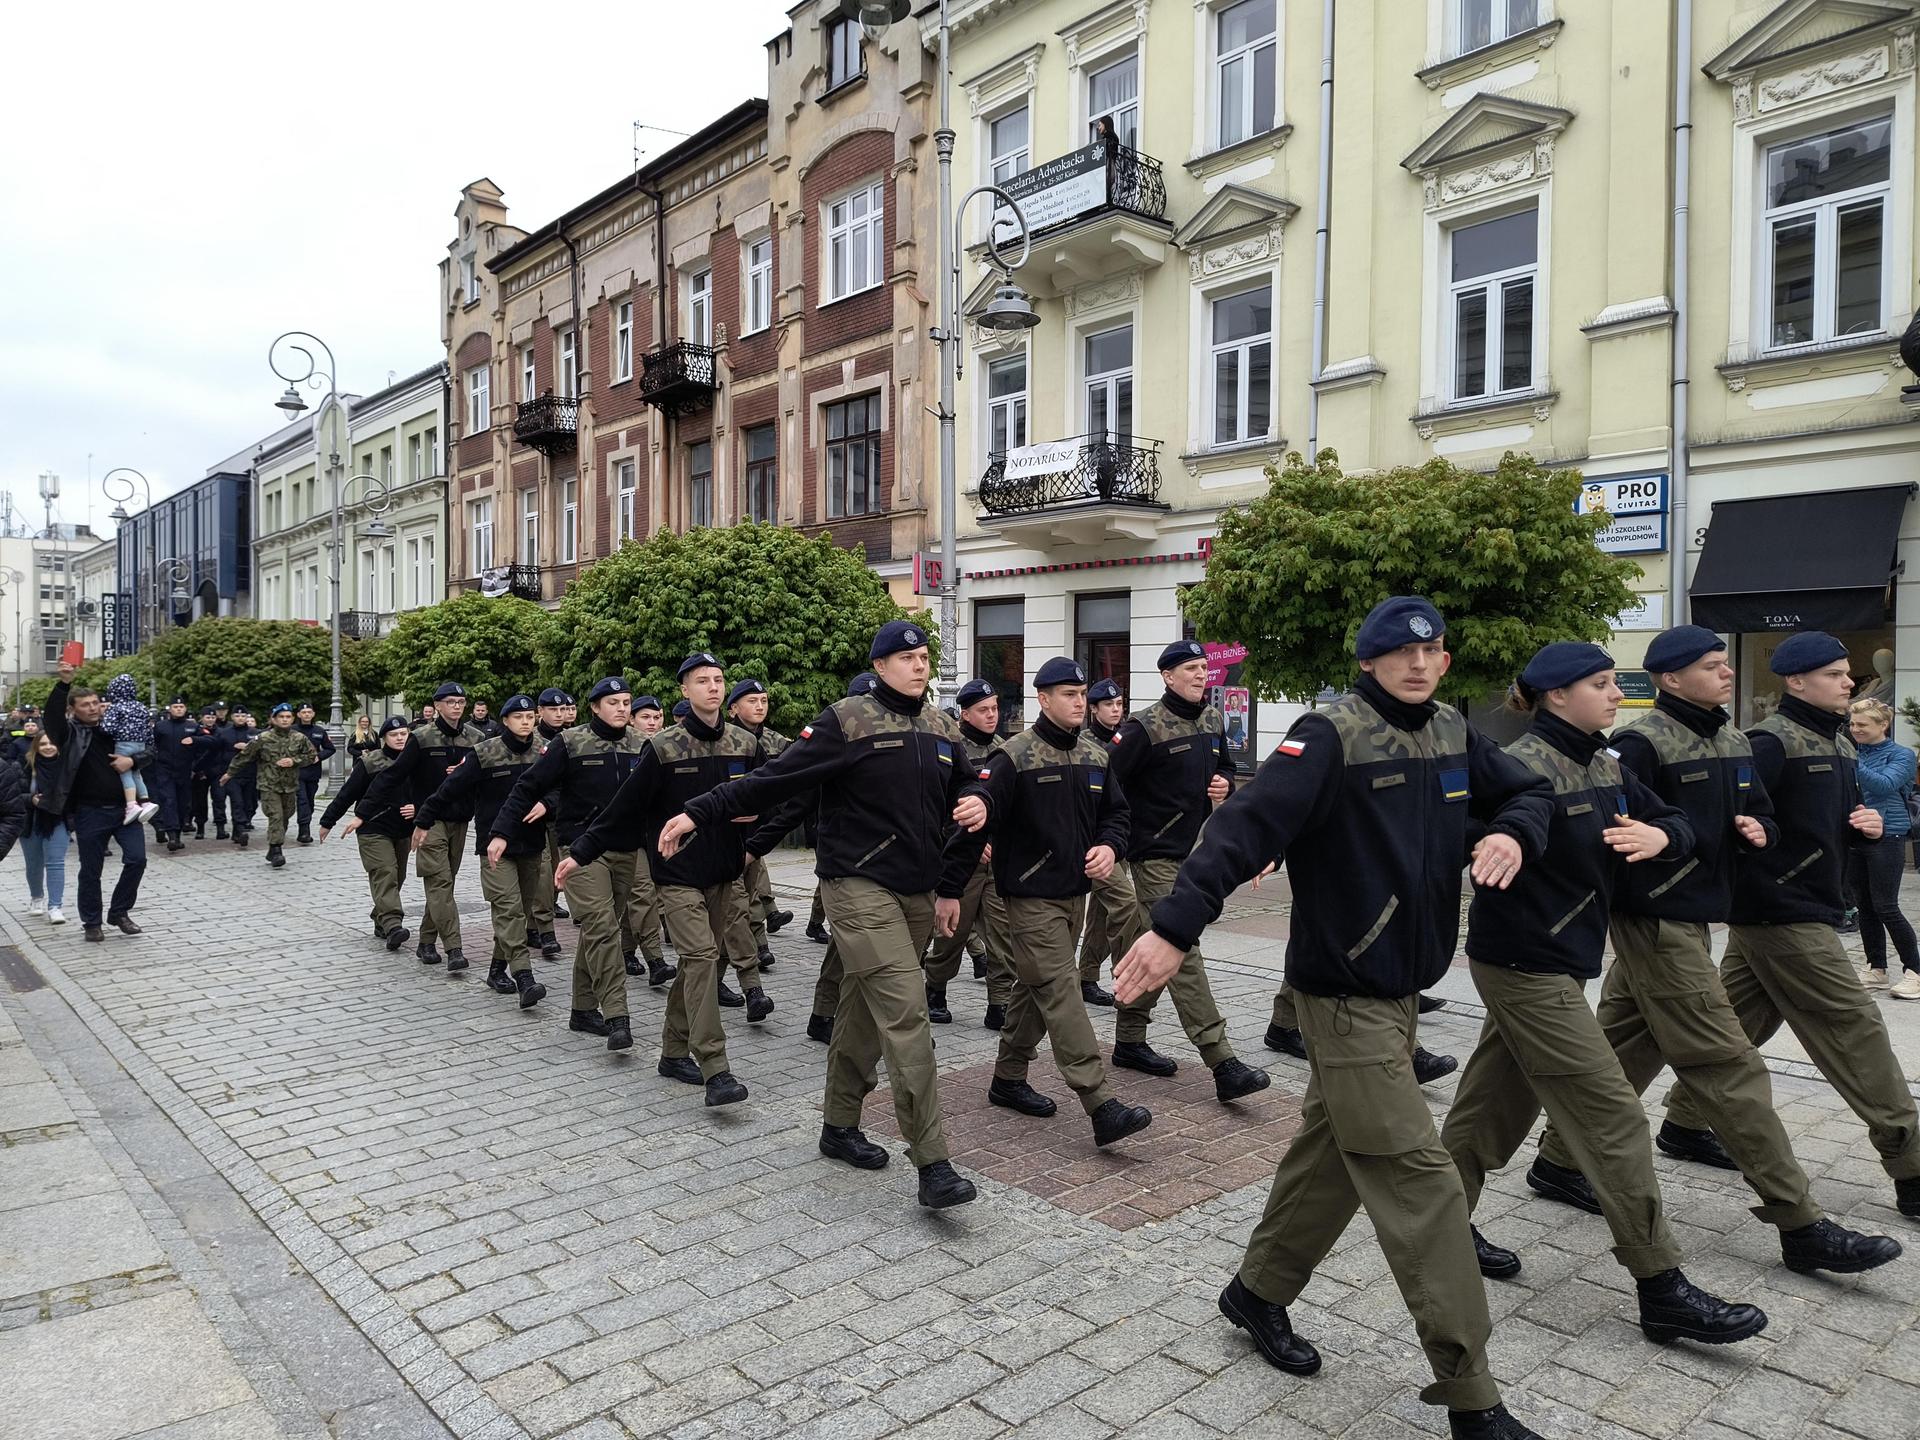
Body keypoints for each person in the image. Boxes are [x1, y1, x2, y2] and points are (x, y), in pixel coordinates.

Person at [1115, 597, 1556, 1440]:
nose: (1420, 665)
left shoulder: (1455, 734)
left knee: (1333, 1153)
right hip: (1343, 993)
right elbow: (1242, 828)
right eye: (1401, 653)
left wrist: (1515, 835)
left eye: (1433, 654)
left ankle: (1256, 1291)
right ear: (1368, 661)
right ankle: (1473, 1399)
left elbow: (1528, 794)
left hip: (1402, 992)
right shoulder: (1330, 735)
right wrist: (1174, 927)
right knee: (1419, 1182)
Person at [1530, 627, 1903, 1276]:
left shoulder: (1733, 739)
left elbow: (1763, 816)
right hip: (1656, 918)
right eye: (1711, 665)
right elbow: (1606, 827)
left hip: (1701, 916)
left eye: (1726, 662)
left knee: (1629, 1039)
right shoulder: (1639, 745)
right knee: (1729, 1066)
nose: (1728, 671)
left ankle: (1560, 1162)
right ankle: (1800, 1221)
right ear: (1672, 679)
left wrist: (1763, 830)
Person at [1438, 643, 1768, 1346]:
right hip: (1523, 961)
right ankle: (1662, 1286)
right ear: (1558, 695)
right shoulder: (1518, 765)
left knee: (1489, 1106)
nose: (1618, 692)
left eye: (1616, 681)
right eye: (1602, 683)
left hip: (1564, 959)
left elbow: (1676, 822)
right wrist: (1502, 838)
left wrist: (1659, 834)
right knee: (1612, 1115)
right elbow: (1461, 831)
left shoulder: (1607, 761)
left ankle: (1441, 1226)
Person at [662, 623, 980, 1208]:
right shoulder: (847, 719)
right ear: (880, 666)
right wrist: (700, 812)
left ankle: (838, 1126)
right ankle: (932, 1162)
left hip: (917, 892)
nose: (918, 666)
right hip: (856, 886)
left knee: (863, 1006)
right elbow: (773, 780)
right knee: (908, 1016)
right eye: (905, 658)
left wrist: (972, 825)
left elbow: (968, 792)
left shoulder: (941, 725)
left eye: (923, 656)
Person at [1658, 633, 1920, 1220]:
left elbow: (1820, 822)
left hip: (1796, 908)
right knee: (1856, 1032)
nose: (1848, 682)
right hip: (1783, 912)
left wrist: (1861, 827)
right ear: (1796, 682)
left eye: (1847, 673)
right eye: (1833, 674)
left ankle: (1680, 1123)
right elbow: (1741, 822)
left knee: (1727, 1027)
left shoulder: (1841, 743)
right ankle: (1912, 1165)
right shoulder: (1768, 743)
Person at [944, 658, 1154, 1148]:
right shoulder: (1013, 756)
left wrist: (1110, 847)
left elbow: (1118, 817)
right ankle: (1100, 1102)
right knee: (1061, 991)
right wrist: (949, 889)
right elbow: (978, 819)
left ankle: (1007, 1078)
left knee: (1035, 989)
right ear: (1042, 699)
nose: (1079, 703)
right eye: (1068, 695)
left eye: (1082, 694)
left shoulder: (1095, 756)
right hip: (1030, 900)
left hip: (1074, 897)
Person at [566, 654, 764, 1102]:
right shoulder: (663, 747)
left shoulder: (744, 743)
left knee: (702, 964)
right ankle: (715, 1068)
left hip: (724, 872)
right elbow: (624, 808)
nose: (713, 687)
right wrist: (581, 852)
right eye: (702, 681)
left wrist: (757, 828)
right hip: (676, 875)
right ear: (685, 691)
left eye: (718, 679)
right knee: (699, 957)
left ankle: (673, 1052)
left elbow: (768, 792)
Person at [1107, 640, 1269, 1100]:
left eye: (1203, 668)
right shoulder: (1143, 727)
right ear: (1167, 677)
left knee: (1150, 945)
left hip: (1194, 852)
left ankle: (1130, 1041)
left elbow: (1225, 770)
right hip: (1151, 855)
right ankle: (1222, 1061)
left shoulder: (1213, 719)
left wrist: (1225, 783)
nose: (1201, 675)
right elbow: (1106, 785)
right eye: (1191, 669)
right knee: (1181, 946)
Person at [495, 677, 650, 1047]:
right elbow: (527, 787)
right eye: (613, 702)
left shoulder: (643, 745)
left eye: (627, 702)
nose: (622, 709)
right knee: (602, 927)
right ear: (595, 707)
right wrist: (501, 831)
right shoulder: (570, 742)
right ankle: (617, 1015)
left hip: (626, 848)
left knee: (601, 928)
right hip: (580, 851)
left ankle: (582, 1010)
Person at [416, 694, 550, 1008]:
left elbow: (561, 787)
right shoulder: (485, 752)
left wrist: (548, 803)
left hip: (531, 843)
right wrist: (424, 818)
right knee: (509, 910)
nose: (526, 722)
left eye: (530, 716)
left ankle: (496, 969)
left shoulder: (545, 750)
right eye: (519, 717)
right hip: (494, 846)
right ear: (505, 721)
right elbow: (451, 788)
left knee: (521, 911)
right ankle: (524, 976)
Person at [360, 683, 488, 970]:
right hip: (429, 821)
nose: (457, 706)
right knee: (440, 883)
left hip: (460, 820)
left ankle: (426, 941)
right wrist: (362, 811)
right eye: (451, 701)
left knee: (445, 883)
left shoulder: (476, 737)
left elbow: (486, 778)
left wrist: (467, 776)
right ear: (438, 705)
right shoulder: (421, 737)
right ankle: (454, 948)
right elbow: (394, 774)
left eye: (461, 701)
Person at [921, 678, 1016, 1028]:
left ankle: (1000, 1003)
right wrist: (969, 842)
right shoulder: (951, 748)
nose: (992, 716)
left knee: (1002, 935)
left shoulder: (1006, 751)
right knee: (953, 934)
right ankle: (935, 988)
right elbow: (940, 806)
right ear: (965, 713)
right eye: (983, 710)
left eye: (995, 709)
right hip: (961, 860)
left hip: (998, 861)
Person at [45, 663, 150, 943]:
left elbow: (148, 749)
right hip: (89, 811)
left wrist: (133, 760)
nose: (93, 708)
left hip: (126, 810)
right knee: (91, 870)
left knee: (137, 859)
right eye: (85, 705)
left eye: (96, 703)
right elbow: (52, 718)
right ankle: (92, 922)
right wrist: (63, 684)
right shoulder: (69, 734)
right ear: (74, 710)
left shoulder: (114, 728)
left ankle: (119, 912)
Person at [319, 716, 415, 951]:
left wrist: (418, 806)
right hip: (373, 829)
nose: (400, 738)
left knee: (397, 877)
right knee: (384, 872)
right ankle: (393, 925)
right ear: (383, 739)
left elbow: (430, 791)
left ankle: (380, 918)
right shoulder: (371, 762)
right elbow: (347, 793)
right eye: (394, 735)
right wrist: (327, 821)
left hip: (403, 830)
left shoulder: (416, 761)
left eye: (404, 733)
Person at [1849, 697, 1919, 996]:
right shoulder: (1853, 750)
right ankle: (1876, 968)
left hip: (1888, 833)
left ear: (1883, 724)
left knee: (1886, 905)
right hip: (1854, 831)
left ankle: (1915, 970)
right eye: (1852, 724)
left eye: (1862, 724)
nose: (1855, 730)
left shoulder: (1902, 755)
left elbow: (1884, 785)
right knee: (1864, 906)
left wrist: (1850, 762)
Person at [727, 678, 795, 967]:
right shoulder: (725, 740)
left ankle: (758, 945)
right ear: (732, 709)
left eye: (764, 701)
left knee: (751, 893)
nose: (759, 706)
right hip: (726, 830)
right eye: (752, 701)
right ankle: (745, 949)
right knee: (735, 899)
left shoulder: (775, 740)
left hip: (758, 829)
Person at [1076, 676, 1130, 1006]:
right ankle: (1127, 981)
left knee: (1099, 914)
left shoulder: (1127, 740)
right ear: (1094, 709)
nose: (1115, 709)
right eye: (1108, 705)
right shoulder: (1084, 744)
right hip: (1089, 842)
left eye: (1119, 704)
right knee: (1125, 907)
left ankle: (1086, 976)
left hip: (1114, 840)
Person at [222, 702, 319, 868]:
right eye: (281, 717)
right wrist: (230, 773)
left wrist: (294, 761)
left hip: (290, 785)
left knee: (286, 817)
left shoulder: (299, 738)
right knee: (276, 816)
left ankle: (272, 846)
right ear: (273, 719)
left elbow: (312, 756)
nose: (284, 720)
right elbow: (245, 756)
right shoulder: (263, 738)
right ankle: (276, 851)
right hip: (268, 785)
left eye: (288, 717)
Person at [618, 694, 672, 985]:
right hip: (629, 835)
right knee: (643, 894)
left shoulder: (667, 746)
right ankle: (655, 960)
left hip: (659, 834)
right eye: (645, 718)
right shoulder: (622, 747)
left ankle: (626, 950)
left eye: (657, 717)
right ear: (632, 719)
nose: (652, 723)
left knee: (636, 897)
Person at [100, 673, 161, 829]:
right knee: (136, 773)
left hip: (123, 743)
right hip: (140, 745)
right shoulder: (141, 707)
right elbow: (149, 731)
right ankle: (146, 801)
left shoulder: (116, 707)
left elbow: (107, 728)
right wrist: (147, 745)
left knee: (125, 772)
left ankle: (131, 804)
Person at [21, 730, 70, 923]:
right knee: (34, 864)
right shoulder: (25, 767)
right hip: (30, 821)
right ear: (36, 747)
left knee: (56, 863)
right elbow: (12, 794)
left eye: (52, 743)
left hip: (57, 819)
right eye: (43, 744)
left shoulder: (67, 768)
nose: (48, 747)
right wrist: (31, 799)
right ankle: (36, 898)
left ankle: (55, 907)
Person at [150, 696, 199, 852]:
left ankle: (177, 834)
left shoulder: (192, 726)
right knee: (169, 800)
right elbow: (152, 746)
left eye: (181, 706)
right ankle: (172, 835)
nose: (179, 709)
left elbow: (205, 744)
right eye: (175, 706)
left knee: (183, 803)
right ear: (170, 709)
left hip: (185, 770)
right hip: (165, 770)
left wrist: (196, 766)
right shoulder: (160, 726)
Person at [291, 702, 335, 844]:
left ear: (313, 714)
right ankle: (304, 831)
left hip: (313, 772)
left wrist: (319, 757)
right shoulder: (292, 730)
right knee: (302, 800)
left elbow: (330, 748)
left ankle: (305, 824)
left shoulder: (319, 731)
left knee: (309, 801)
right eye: (303, 712)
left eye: (309, 712)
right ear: (298, 715)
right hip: (297, 772)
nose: (306, 715)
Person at [221, 707, 260, 844]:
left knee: (249, 804)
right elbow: (219, 753)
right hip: (233, 775)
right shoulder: (225, 734)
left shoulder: (254, 733)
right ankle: (241, 829)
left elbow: (262, 751)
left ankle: (238, 830)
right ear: (232, 717)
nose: (240, 718)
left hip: (251, 773)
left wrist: (248, 747)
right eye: (237, 715)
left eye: (243, 715)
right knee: (237, 802)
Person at [192, 704, 227, 839]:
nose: (211, 720)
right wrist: (195, 769)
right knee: (200, 801)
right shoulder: (196, 732)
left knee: (219, 799)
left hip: (217, 771)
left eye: (213, 717)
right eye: (208, 717)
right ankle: (200, 828)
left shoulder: (221, 732)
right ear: (202, 718)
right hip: (201, 771)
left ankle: (220, 828)